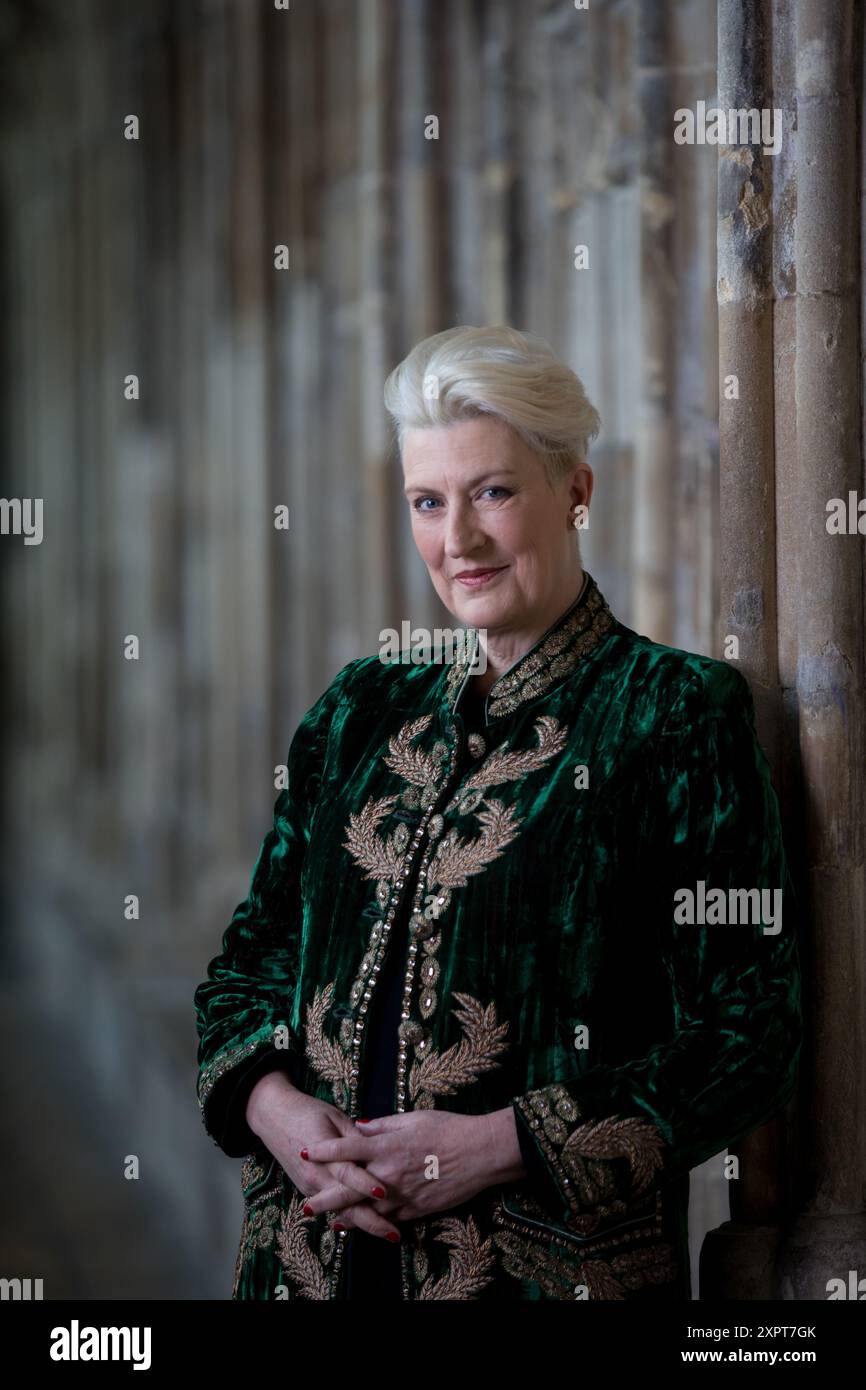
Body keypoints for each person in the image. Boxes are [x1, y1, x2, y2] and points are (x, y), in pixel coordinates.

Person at [194, 325, 802, 1301]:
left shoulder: (671, 714)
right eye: (427, 503)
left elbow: (744, 1033)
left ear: (575, 491)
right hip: (310, 1265)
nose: (457, 541)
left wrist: (495, 1144)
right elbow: (246, 969)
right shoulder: (355, 713)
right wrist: (272, 1109)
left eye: (492, 492)